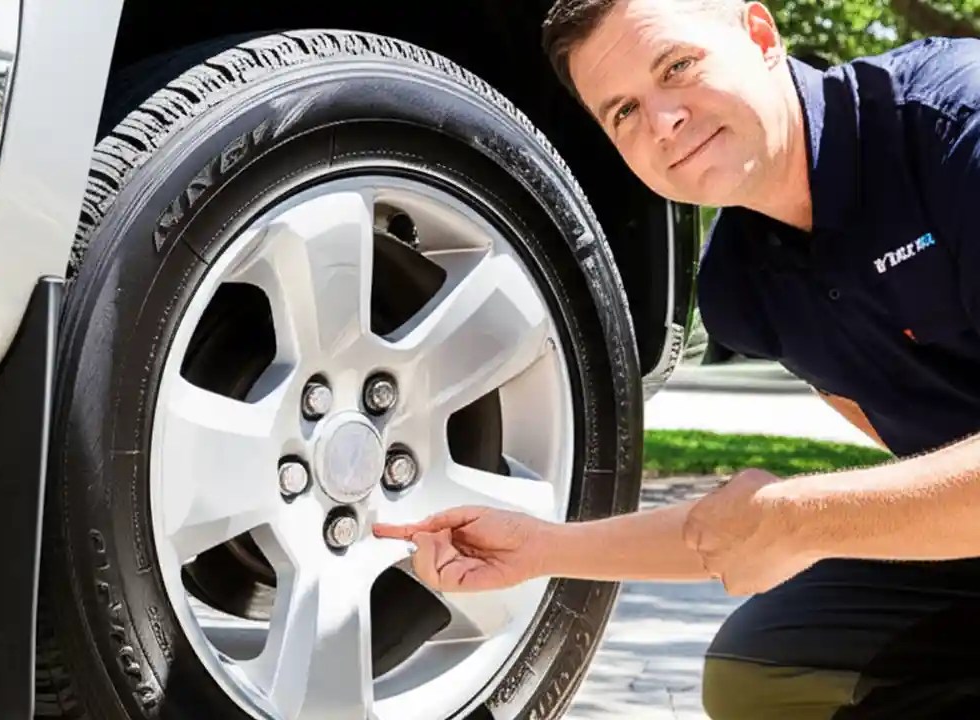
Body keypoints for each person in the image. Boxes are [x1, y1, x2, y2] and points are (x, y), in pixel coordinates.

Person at [374, 1, 980, 717]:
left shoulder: (956, 128)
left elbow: (806, 521)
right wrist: (540, 550)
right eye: (624, 111)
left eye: (678, 67)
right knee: (763, 669)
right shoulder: (742, 291)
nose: (662, 122)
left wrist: (805, 519)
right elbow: (769, 525)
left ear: (760, 35)